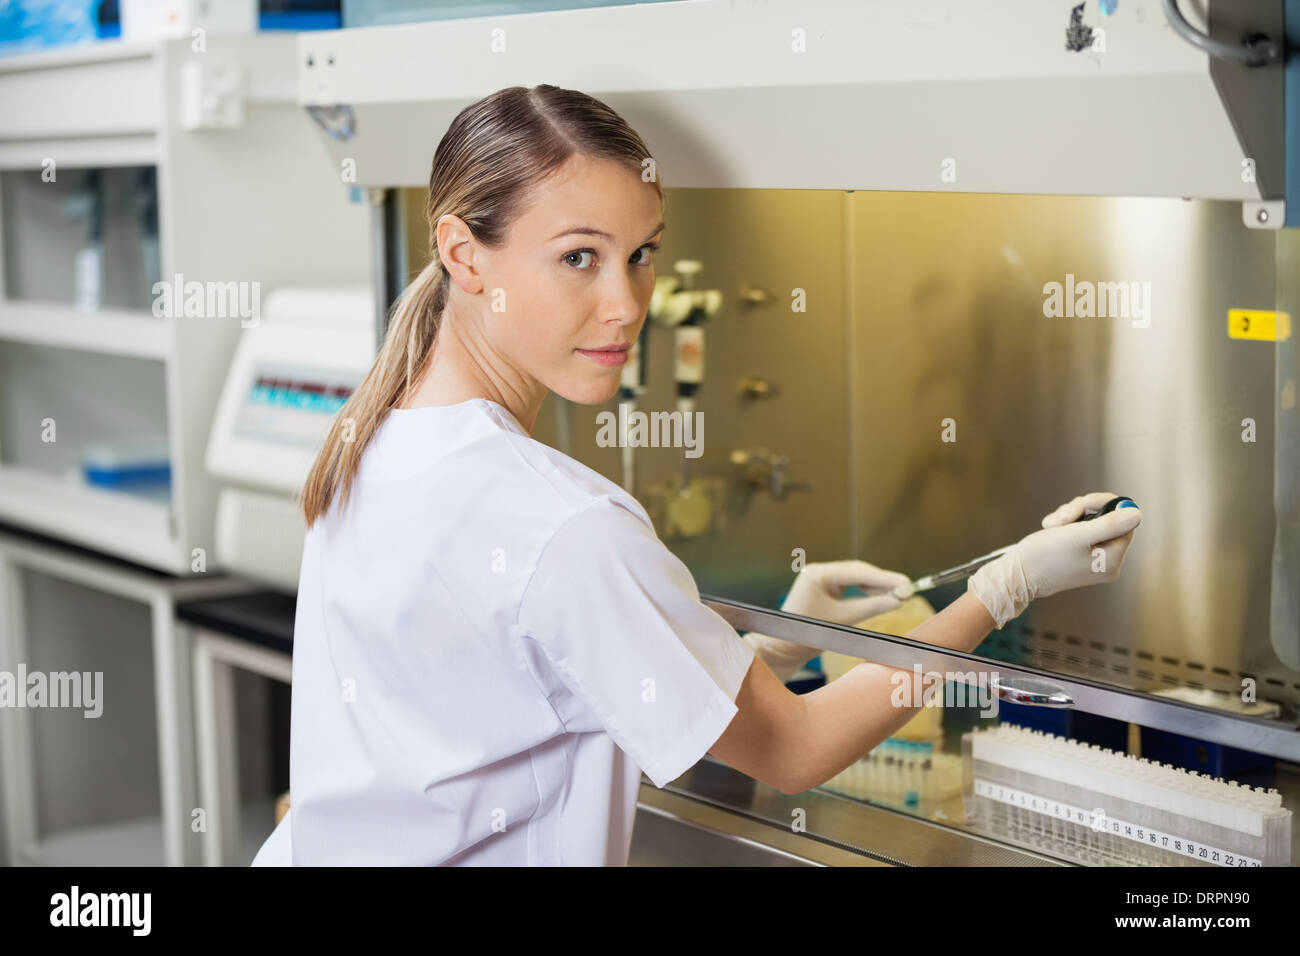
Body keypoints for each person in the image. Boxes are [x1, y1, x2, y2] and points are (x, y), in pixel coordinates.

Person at [251, 84, 1141, 866]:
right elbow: (794, 750)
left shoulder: (370, 442)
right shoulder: (563, 523)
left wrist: (774, 650)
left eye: (641, 254)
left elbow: (524, 689)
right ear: (463, 253)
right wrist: (1005, 587)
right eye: (578, 258)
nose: (626, 304)